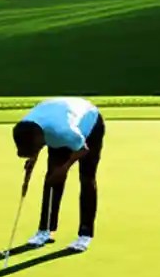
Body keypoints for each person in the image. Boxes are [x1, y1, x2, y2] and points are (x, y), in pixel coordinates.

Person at [12, 97, 106, 253]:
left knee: (86, 177)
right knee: (51, 180)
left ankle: (85, 234)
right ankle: (45, 231)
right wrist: (32, 159)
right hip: (58, 117)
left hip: (90, 124)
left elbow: (83, 150)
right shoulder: (26, 126)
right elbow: (32, 141)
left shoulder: (64, 132)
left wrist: (64, 168)